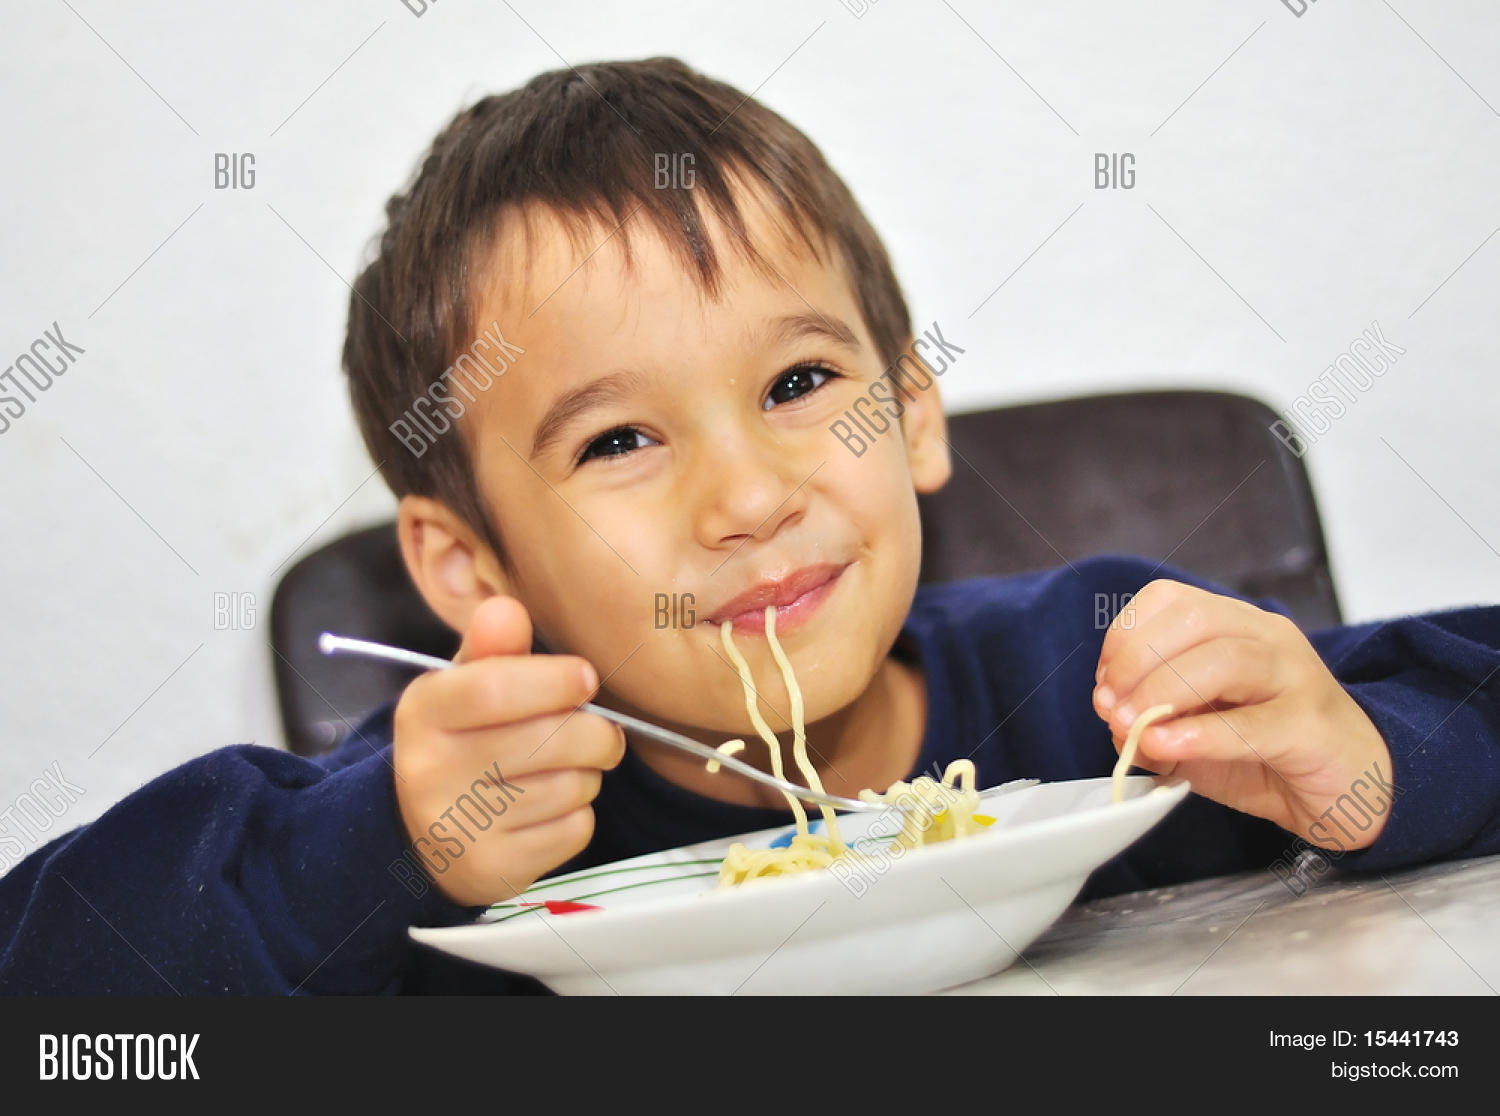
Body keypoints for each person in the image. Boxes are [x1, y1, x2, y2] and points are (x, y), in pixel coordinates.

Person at [3, 58, 1497, 995]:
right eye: (620, 438)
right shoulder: (456, 827)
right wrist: (373, 854)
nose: (750, 498)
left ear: (910, 414)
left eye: (797, 382)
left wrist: (1369, 765)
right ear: (471, 566)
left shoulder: (1094, 687)